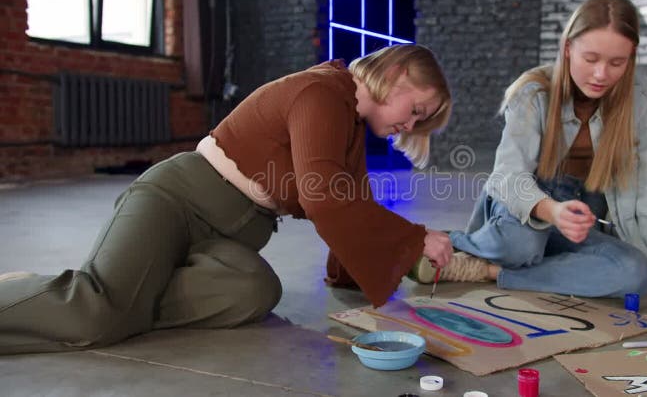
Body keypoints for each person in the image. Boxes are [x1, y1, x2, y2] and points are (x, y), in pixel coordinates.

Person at [0, 44, 454, 355]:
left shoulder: (351, 132)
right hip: (174, 201)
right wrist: (413, 239)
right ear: (392, 74)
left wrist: (368, 278)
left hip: (226, 238)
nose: (410, 128)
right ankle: (49, 296)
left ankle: (126, 299)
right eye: (415, 111)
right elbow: (323, 197)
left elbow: (350, 207)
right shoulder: (323, 94)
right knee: (96, 313)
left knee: (254, 291)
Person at [411, 0, 647, 299]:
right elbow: (507, 178)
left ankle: (486, 269)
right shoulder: (534, 92)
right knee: (520, 245)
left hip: (582, 216)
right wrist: (552, 210)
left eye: (617, 63)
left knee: (633, 273)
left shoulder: (645, 102)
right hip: (527, 207)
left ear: (631, 58)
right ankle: (447, 242)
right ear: (568, 47)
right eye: (591, 58)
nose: (601, 74)